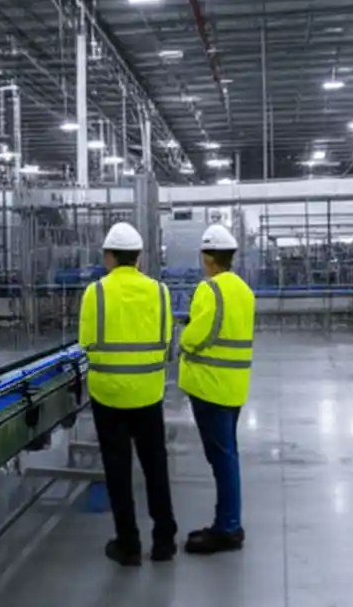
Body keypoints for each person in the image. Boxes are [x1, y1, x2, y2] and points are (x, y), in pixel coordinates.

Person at [79, 222, 178, 566]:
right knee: (156, 466)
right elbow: (167, 340)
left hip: (108, 395)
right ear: (138, 258)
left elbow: (86, 342)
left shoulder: (96, 293)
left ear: (109, 256)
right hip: (149, 394)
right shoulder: (161, 292)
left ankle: (129, 544)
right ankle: (164, 541)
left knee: (118, 471)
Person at [179, 223, 255, 554]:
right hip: (234, 386)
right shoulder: (244, 290)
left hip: (210, 386)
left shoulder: (210, 290)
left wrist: (183, 338)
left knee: (222, 458)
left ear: (208, 258)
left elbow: (198, 336)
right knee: (227, 454)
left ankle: (227, 527)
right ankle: (227, 522)